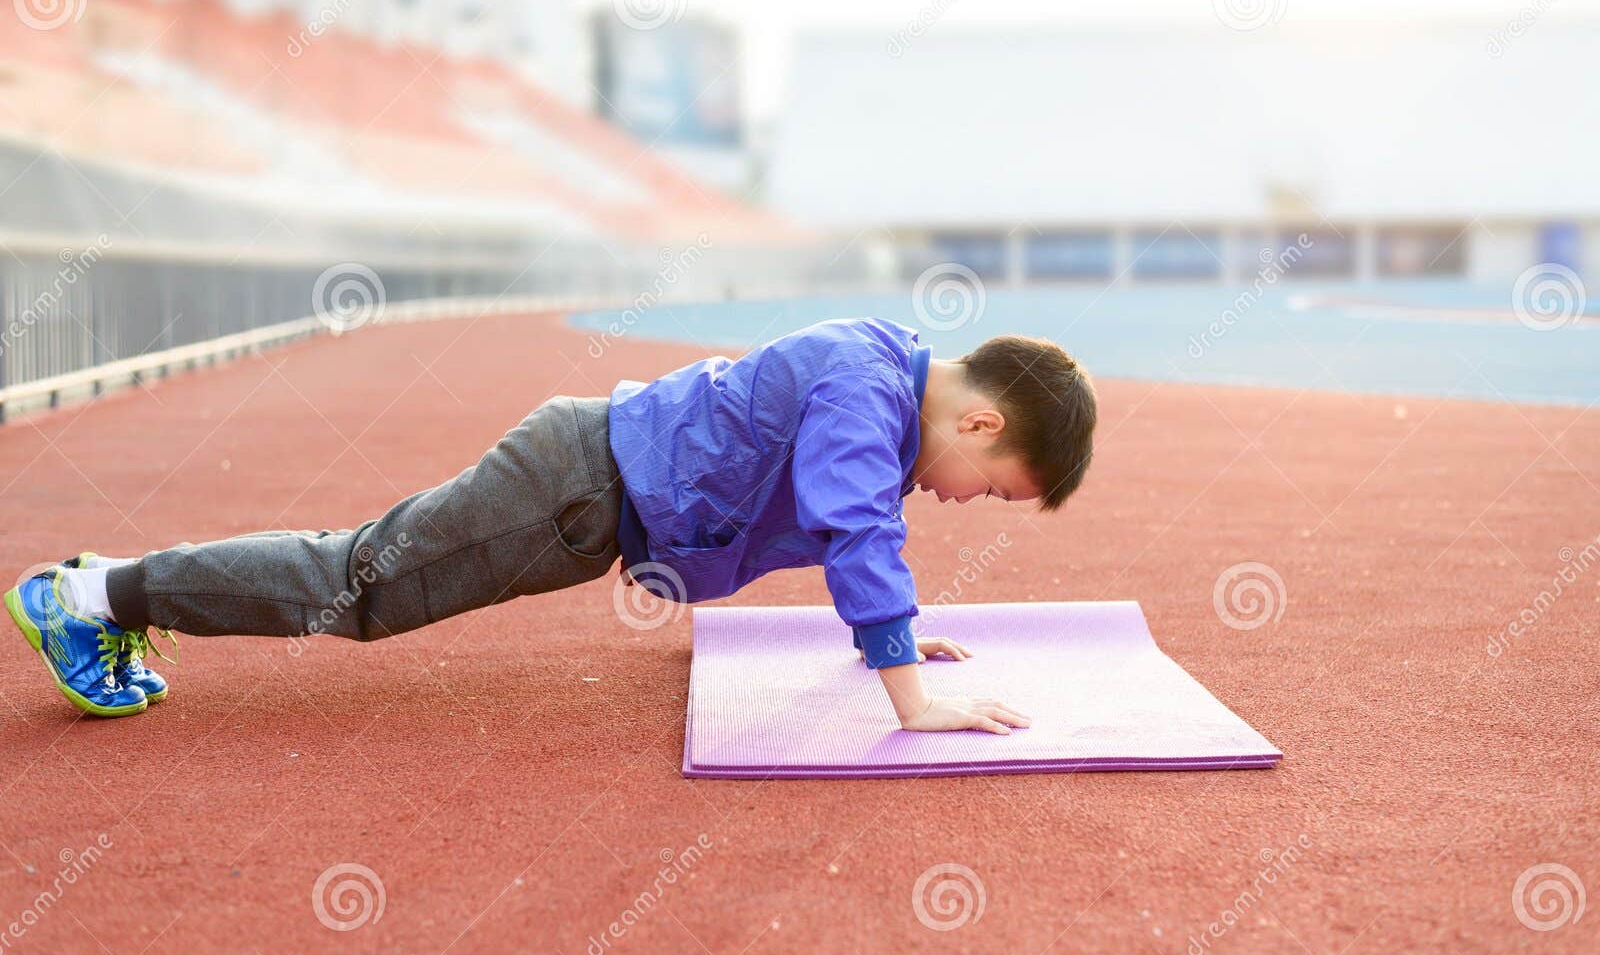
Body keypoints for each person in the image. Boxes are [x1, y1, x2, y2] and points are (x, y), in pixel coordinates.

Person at [6, 317, 1096, 732]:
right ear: (981, 421)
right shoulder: (867, 390)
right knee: (358, 587)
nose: (963, 501)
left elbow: (843, 515)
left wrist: (887, 640)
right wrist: (910, 693)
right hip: (573, 486)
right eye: (992, 487)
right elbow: (854, 525)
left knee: (362, 583)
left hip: (584, 490)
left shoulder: (880, 372)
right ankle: (86, 596)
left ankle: (106, 591)